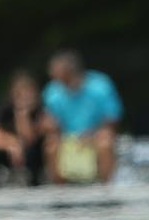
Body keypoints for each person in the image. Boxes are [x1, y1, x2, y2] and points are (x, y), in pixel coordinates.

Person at [42, 51, 122, 184]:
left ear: (70, 71)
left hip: (95, 135)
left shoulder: (100, 86)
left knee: (105, 140)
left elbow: (112, 118)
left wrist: (91, 134)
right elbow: (51, 123)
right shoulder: (52, 91)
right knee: (51, 145)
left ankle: (105, 189)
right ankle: (60, 193)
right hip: (66, 139)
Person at [0, 71, 51, 188]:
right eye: (21, 93)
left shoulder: (41, 111)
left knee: (32, 152)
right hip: (10, 154)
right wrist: (13, 145)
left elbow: (29, 139)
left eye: (29, 92)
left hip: (32, 157)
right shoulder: (5, 109)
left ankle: (33, 185)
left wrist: (22, 116)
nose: (25, 96)